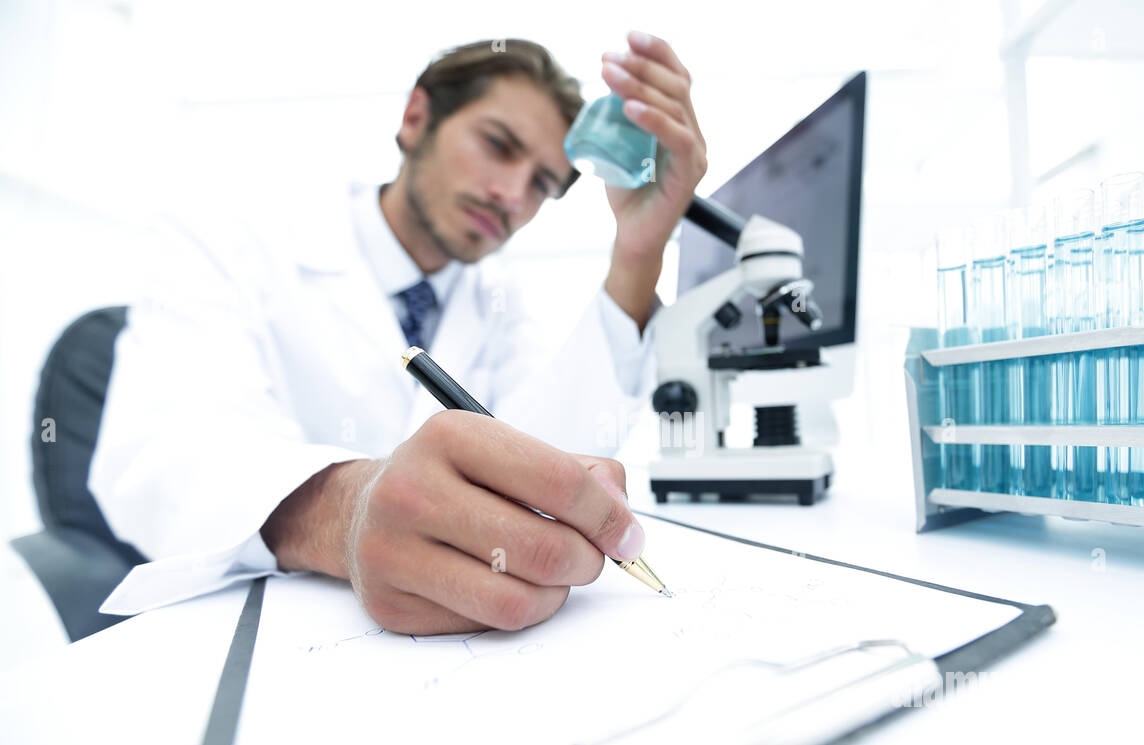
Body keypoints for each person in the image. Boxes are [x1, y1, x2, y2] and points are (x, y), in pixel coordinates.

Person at [89, 31, 708, 634]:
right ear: (417, 118)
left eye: (543, 184)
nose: (513, 195)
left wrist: (638, 255)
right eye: (498, 145)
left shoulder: (497, 299)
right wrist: (346, 512)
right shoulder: (227, 235)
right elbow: (163, 455)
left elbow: (549, 472)